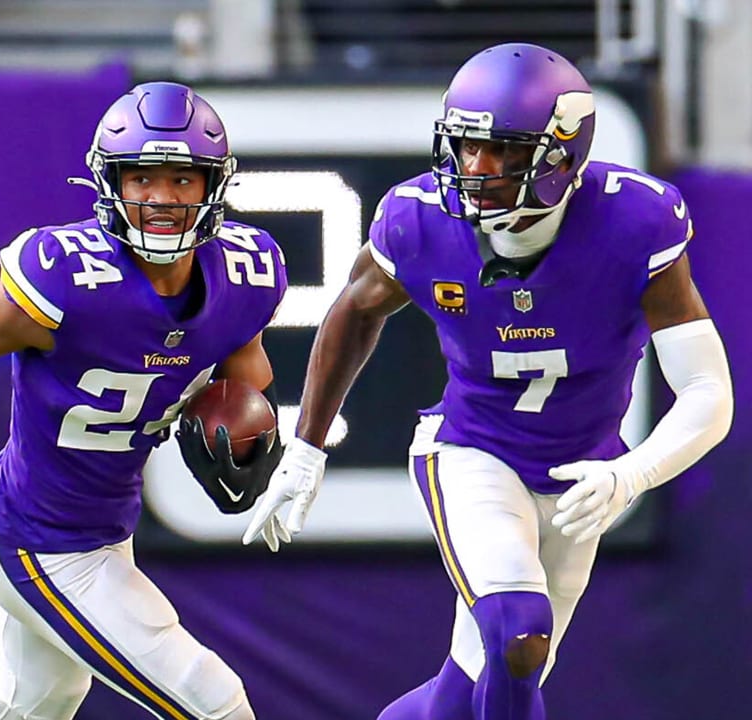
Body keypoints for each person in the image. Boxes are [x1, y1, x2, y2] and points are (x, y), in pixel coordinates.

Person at [242, 43, 734, 720]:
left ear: (563, 151)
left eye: (501, 150)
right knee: (518, 631)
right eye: (466, 145)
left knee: (476, 683)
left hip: (583, 475)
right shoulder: (418, 218)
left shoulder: (633, 222)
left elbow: (709, 392)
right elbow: (353, 311)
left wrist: (635, 472)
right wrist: (306, 446)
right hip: (473, 450)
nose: (475, 168)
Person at [0, 81, 287, 720]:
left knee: (22, 709)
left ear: (213, 185)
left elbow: (246, 371)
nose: (163, 200)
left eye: (182, 179)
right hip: (40, 542)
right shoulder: (72, 279)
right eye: (143, 179)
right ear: (110, 184)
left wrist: (252, 434)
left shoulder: (242, 274)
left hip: (102, 525)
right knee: (215, 703)